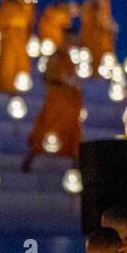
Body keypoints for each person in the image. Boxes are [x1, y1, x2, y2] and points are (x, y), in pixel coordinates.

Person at [22, 29, 82, 171]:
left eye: (74, 41)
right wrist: (68, 81)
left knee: (72, 129)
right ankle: (31, 157)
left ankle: (75, 162)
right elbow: (51, 77)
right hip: (57, 98)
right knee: (47, 127)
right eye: (70, 40)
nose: (71, 44)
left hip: (69, 100)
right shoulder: (56, 57)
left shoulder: (68, 58)